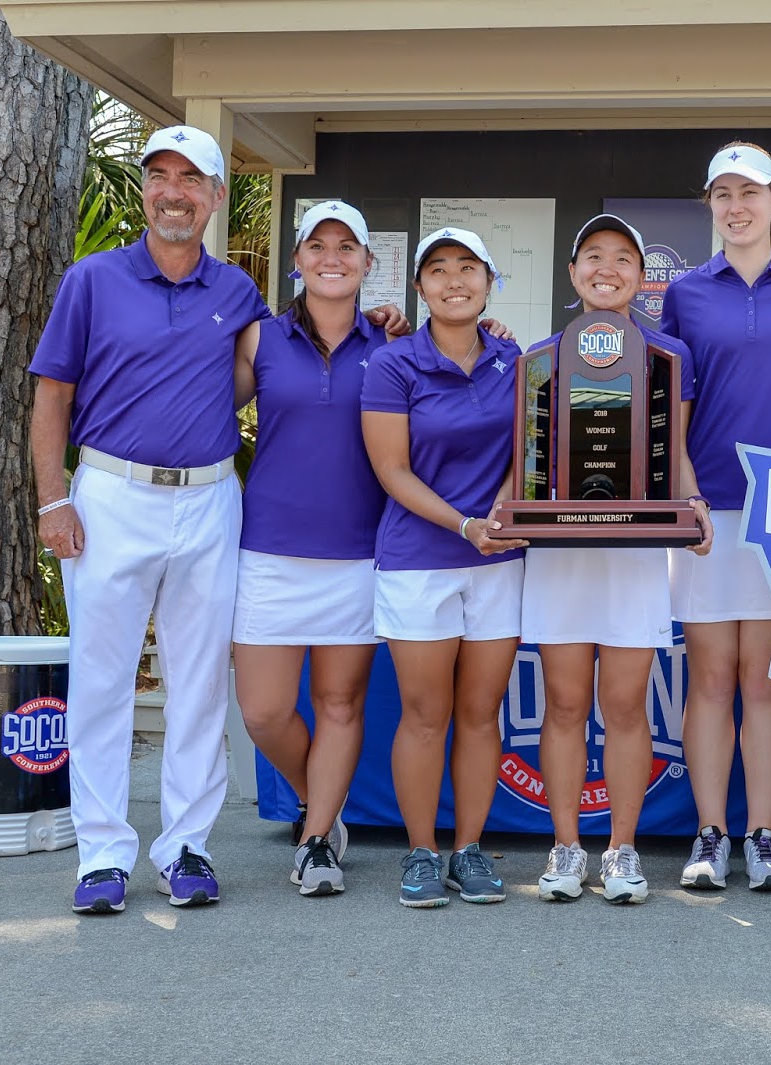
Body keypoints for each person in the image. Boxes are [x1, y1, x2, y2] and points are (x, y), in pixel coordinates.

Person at [31, 126, 270, 914]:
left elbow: (270, 367)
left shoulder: (236, 290)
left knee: (199, 682)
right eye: (159, 175)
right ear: (146, 190)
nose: (174, 190)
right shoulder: (94, 279)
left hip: (207, 500)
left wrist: (385, 331)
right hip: (110, 496)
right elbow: (52, 395)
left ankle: (186, 846)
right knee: (100, 679)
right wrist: (52, 497)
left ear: (213, 196)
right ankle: (102, 851)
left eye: (190, 178)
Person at [524, 215, 714, 905]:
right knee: (566, 703)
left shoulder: (668, 355)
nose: (608, 268)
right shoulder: (541, 356)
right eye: (593, 256)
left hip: (635, 555)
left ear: (642, 276)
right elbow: (526, 456)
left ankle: (623, 850)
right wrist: (499, 514)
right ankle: (568, 846)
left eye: (624, 258)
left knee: (627, 705)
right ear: (573, 273)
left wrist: (692, 506)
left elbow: (679, 449)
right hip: (560, 555)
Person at [661, 143, 771, 891]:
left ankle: (763, 835)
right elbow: (672, 408)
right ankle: (710, 833)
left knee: (765, 683)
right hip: (708, 512)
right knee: (711, 679)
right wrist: (686, 498)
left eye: (749, 192)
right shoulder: (687, 293)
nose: (736, 205)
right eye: (722, 193)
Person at [231, 200, 405, 898]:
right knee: (264, 711)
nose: (332, 257)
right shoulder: (259, 340)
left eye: (346, 246)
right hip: (269, 549)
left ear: (368, 262)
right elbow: (199, 401)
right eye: (317, 245)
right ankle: (321, 805)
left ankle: (316, 843)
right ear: (297, 260)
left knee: (339, 704)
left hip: (360, 553)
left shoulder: (395, 346)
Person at [360, 227, 527, 909]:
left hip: (498, 560)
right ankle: (423, 851)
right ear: (419, 285)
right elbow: (391, 469)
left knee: (481, 714)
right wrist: (464, 523)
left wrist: (505, 506)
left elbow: (533, 447)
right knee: (427, 714)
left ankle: (471, 850)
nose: (454, 280)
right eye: (438, 269)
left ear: (488, 281)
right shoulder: (393, 364)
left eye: (467, 268)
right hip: (420, 561)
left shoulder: (515, 358)